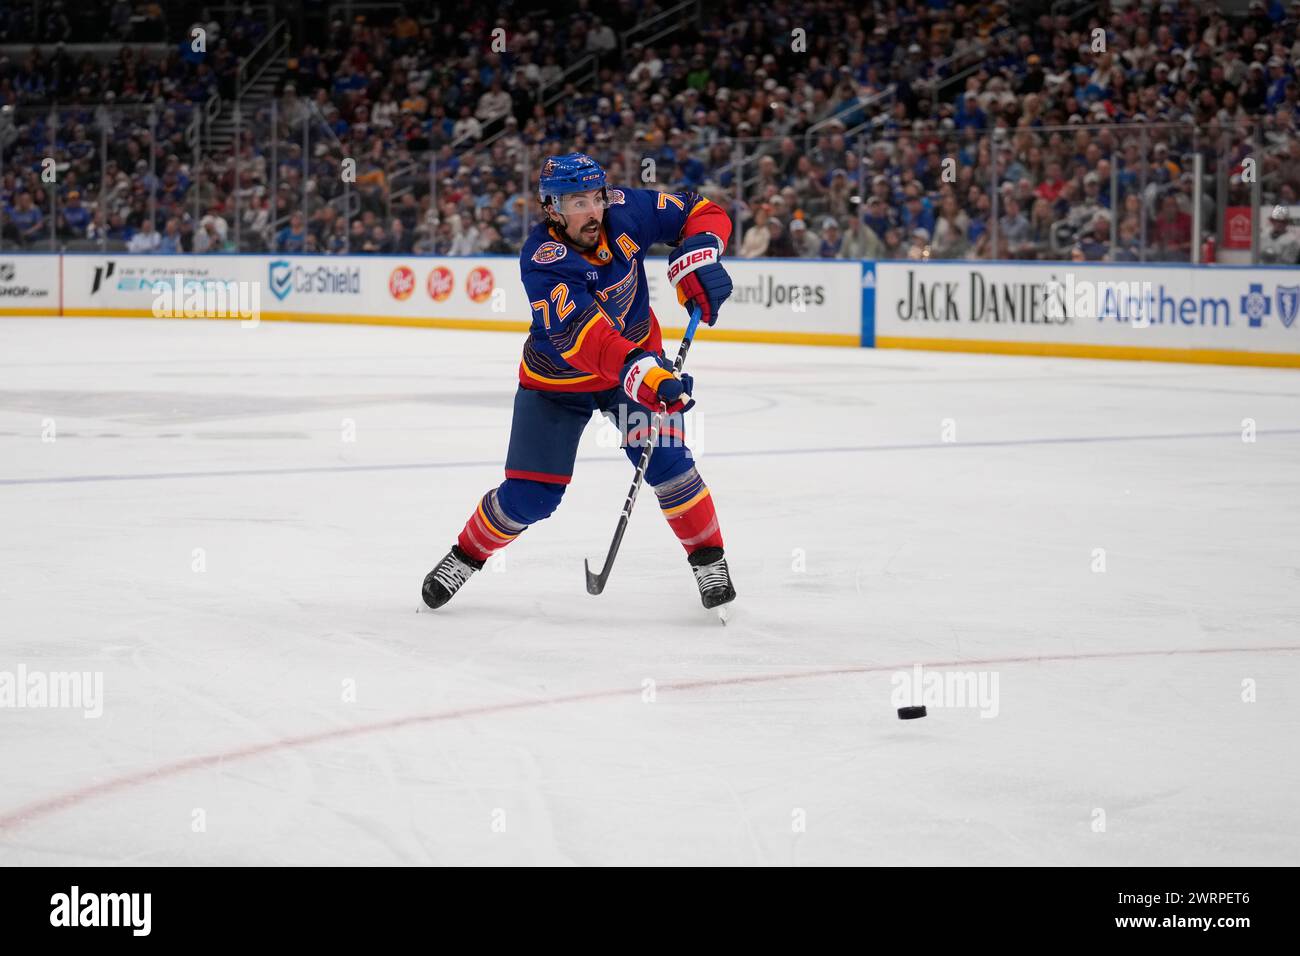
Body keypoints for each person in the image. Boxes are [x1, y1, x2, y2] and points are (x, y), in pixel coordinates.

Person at [422, 153, 737, 613]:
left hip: (633, 369)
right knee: (531, 497)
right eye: (577, 202)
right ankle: (465, 557)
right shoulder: (543, 260)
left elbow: (700, 210)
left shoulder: (627, 210)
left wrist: (701, 252)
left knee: (669, 463)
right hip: (558, 384)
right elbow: (583, 339)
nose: (593, 211)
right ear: (551, 208)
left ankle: (709, 559)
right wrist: (648, 374)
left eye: (597, 197)